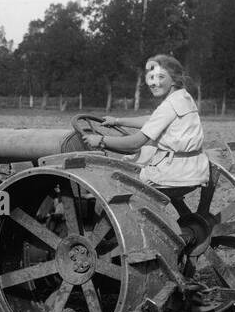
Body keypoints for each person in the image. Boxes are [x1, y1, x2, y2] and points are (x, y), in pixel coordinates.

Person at [81, 54, 210, 211]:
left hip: (173, 175)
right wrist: (117, 120)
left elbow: (134, 144)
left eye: (161, 77)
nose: (154, 83)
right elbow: (154, 119)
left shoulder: (169, 105)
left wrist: (101, 140)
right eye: (151, 77)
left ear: (174, 80)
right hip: (193, 170)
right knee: (139, 156)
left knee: (109, 178)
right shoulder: (183, 97)